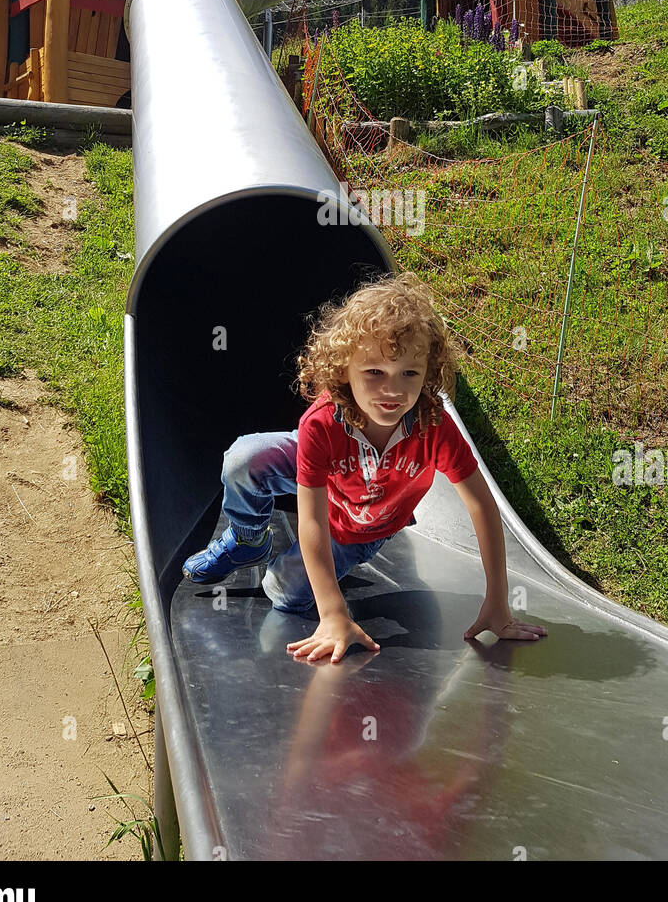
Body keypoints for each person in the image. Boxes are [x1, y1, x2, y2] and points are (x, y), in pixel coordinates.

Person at [182, 271, 548, 663]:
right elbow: (311, 519)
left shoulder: (432, 426)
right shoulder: (322, 423)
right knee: (245, 459)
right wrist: (331, 611)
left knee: (282, 590)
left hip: (360, 525)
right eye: (374, 372)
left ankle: (298, 567)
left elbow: (481, 505)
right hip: (330, 478)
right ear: (344, 370)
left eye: (409, 373)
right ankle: (248, 540)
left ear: (428, 374)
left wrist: (497, 598)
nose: (392, 389)